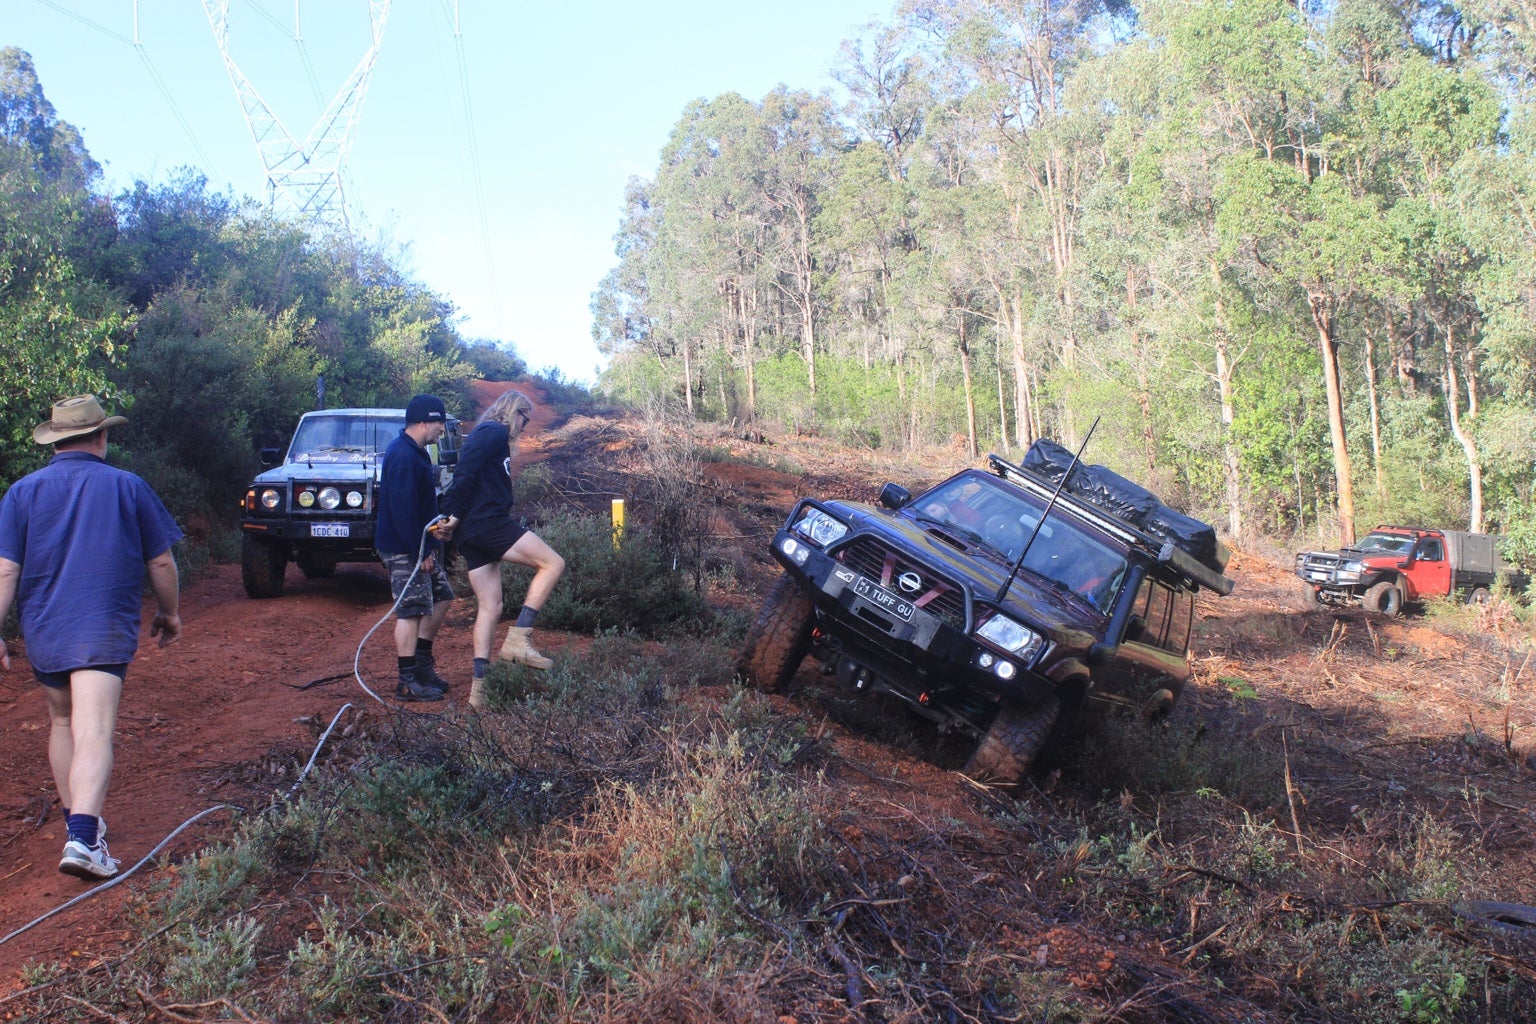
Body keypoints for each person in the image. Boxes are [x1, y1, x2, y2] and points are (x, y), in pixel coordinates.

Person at [0, 395, 183, 880]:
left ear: (56, 441)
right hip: (101, 625)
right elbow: (161, 561)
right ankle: (83, 840)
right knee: (95, 728)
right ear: (102, 436)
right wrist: (170, 614)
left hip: (45, 628)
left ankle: (81, 824)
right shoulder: (128, 486)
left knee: (63, 723)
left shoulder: (21, 492)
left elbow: (5, 572)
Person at [441, 389, 565, 711]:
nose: (525, 425)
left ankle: (479, 691)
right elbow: (464, 472)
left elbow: (471, 473)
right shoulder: (493, 431)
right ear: (516, 411)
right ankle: (519, 639)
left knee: (490, 607)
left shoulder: (491, 436)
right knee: (552, 563)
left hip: (473, 530)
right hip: (487, 524)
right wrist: (451, 514)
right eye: (525, 418)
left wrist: (454, 519)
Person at [376, 394, 458, 702]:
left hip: (420, 543)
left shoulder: (418, 453)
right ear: (425, 421)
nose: (441, 429)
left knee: (441, 597)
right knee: (410, 611)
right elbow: (401, 510)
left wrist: (438, 533)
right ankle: (407, 681)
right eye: (439, 423)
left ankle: (422, 666)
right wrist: (420, 551)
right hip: (403, 548)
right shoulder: (402, 455)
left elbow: (422, 506)